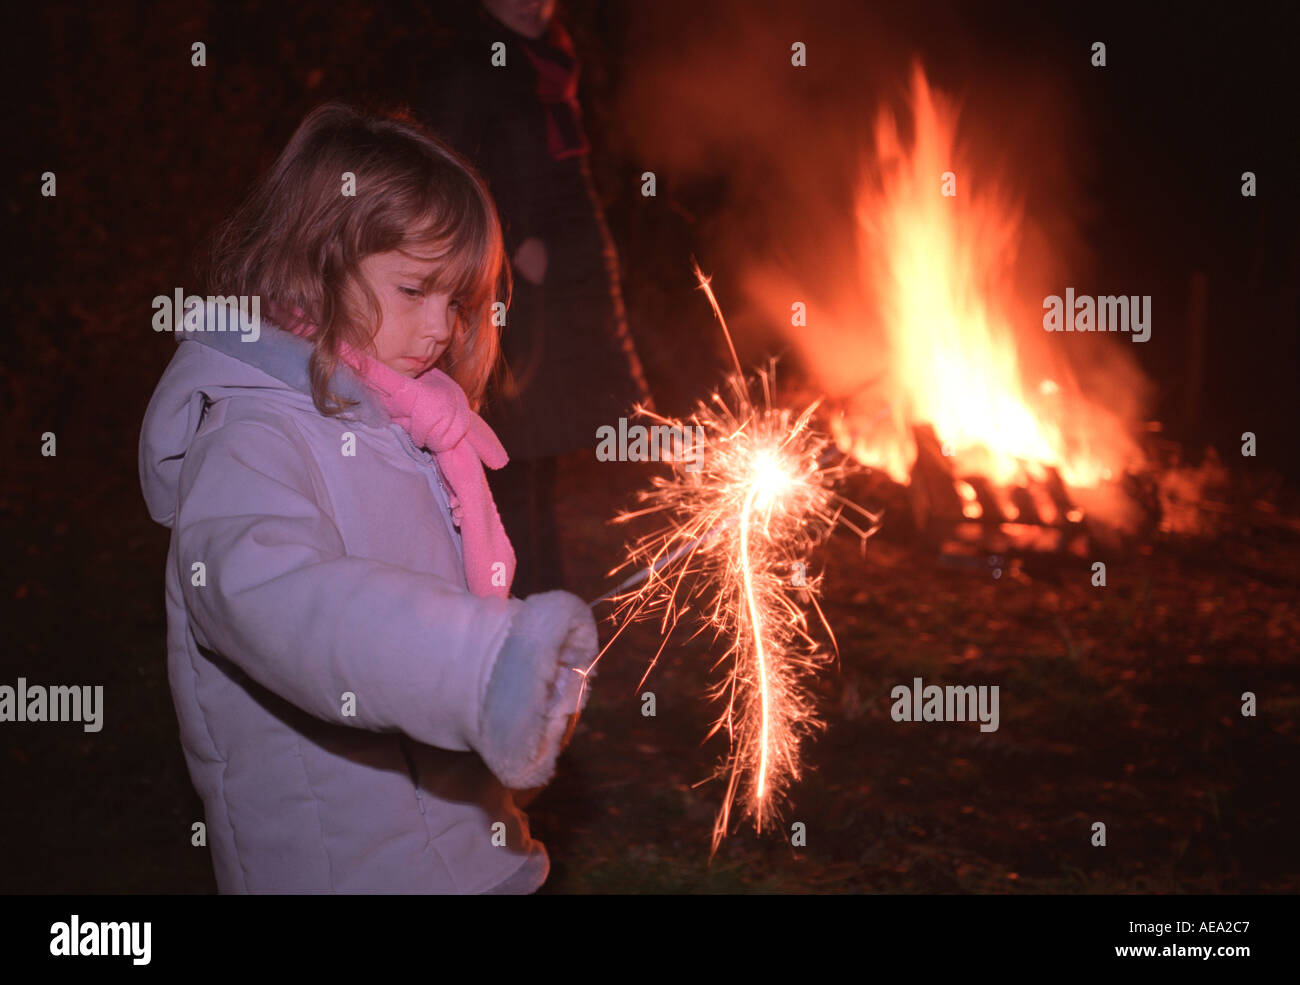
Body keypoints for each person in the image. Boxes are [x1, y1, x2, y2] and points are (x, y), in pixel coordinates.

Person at [138, 103, 597, 893]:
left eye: (456, 301)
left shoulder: (405, 422)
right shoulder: (251, 433)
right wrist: (479, 666)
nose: (440, 329)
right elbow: (282, 601)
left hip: (466, 854)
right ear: (313, 260)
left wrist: (517, 689)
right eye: (415, 288)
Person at [416, 0, 653, 597]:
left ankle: (547, 605)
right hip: (503, 289)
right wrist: (514, 242)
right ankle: (509, 617)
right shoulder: (469, 62)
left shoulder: (552, 60)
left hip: (559, 286)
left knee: (539, 455)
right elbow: (444, 170)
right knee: (509, 453)